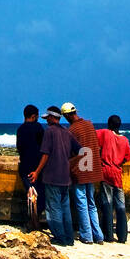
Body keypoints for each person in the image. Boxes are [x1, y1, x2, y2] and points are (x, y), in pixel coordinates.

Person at [29, 105, 76, 246]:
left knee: (53, 208)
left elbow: (45, 154)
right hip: (65, 177)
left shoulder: (49, 132)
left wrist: (37, 171)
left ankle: (60, 237)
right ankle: (69, 238)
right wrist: (68, 162)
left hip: (52, 176)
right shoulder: (67, 133)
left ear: (51, 117)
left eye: (47, 118)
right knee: (65, 209)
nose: (46, 120)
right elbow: (81, 151)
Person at [62, 103, 104, 244]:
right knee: (91, 203)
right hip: (91, 168)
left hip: (79, 169)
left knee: (81, 202)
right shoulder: (89, 125)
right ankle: (98, 235)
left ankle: (87, 235)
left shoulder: (72, 130)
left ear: (67, 115)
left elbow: (70, 152)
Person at [96, 114, 130, 242]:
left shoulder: (105, 133)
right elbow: (127, 158)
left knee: (107, 204)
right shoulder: (125, 140)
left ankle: (109, 235)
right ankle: (122, 236)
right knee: (121, 206)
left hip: (106, 171)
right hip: (117, 173)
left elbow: (92, 136)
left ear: (109, 124)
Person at [15, 104, 45, 227]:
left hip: (25, 166)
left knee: (29, 193)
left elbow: (19, 148)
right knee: (40, 194)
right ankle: (36, 219)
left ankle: (31, 220)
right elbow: (44, 148)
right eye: (37, 116)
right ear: (33, 116)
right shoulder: (38, 128)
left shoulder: (20, 129)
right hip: (37, 167)